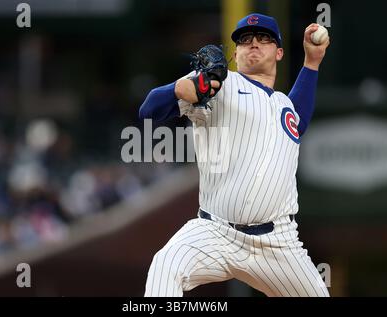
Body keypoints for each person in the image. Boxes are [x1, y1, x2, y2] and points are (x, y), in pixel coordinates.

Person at [139, 13, 330, 297]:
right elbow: (149, 110)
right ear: (236, 53)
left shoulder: (283, 105)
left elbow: (297, 118)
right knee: (166, 264)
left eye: (264, 39)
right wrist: (184, 87)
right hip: (216, 231)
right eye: (244, 40)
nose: (253, 44)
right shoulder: (221, 84)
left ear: (278, 52)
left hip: (278, 243)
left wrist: (312, 62)